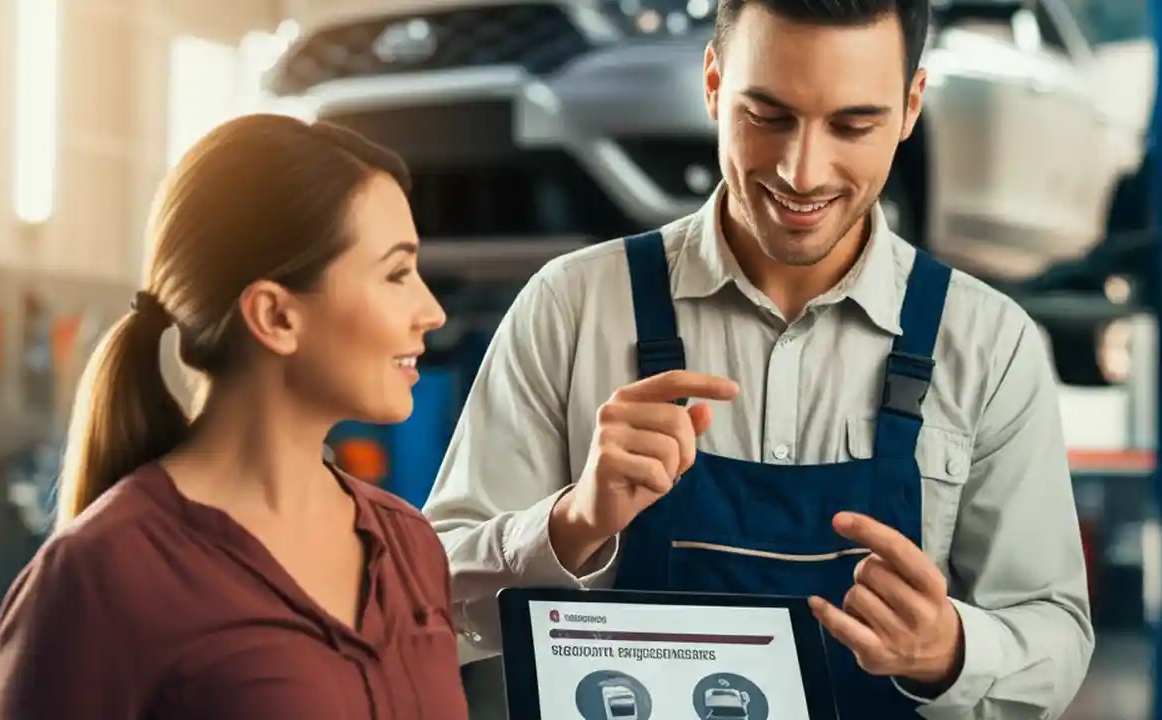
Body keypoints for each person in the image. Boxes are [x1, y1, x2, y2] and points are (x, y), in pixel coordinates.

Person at [425, 0, 1095, 718]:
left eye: (852, 124)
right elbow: (428, 605)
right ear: (713, 86)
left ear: (909, 107)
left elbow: (1054, 634)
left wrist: (949, 651)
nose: (801, 172)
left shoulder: (990, 345)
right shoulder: (572, 308)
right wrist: (572, 525)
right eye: (768, 116)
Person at [0, 114, 467, 720]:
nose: (431, 312)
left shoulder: (410, 547)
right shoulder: (100, 574)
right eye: (397, 274)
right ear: (275, 316)